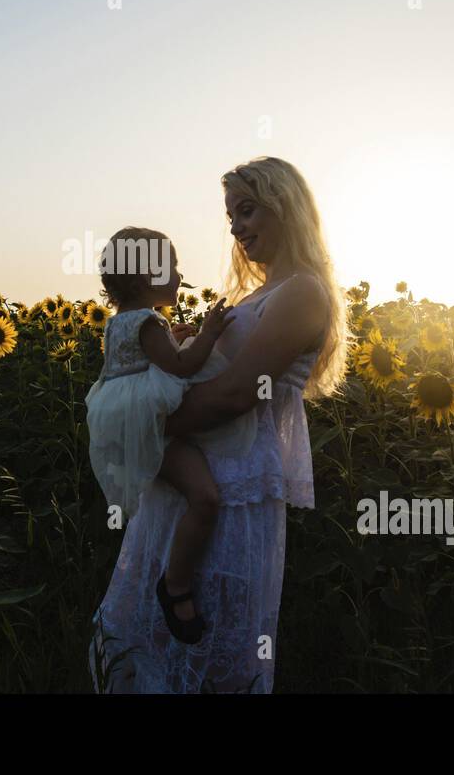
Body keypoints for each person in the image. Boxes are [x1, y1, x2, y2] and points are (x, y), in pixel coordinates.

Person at [88, 156, 350, 693]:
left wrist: (148, 425)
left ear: (286, 207)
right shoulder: (258, 294)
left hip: (232, 487)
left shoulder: (302, 292)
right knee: (156, 641)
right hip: (189, 483)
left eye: (248, 210)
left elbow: (235, 393)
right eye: (231, 215)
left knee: (210, 647)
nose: (237, 226)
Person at [85, 226, 257, 643]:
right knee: (205, 499)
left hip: (129, 424)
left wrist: (171, 341)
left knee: (191, 498)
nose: (180, 276)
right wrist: (210, 335)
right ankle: (175, 582)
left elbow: (142, 362)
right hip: (153, 429)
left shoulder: (120, 323)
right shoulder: (147, 321)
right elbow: (182, 369)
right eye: (172, 268)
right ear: (147, 277)